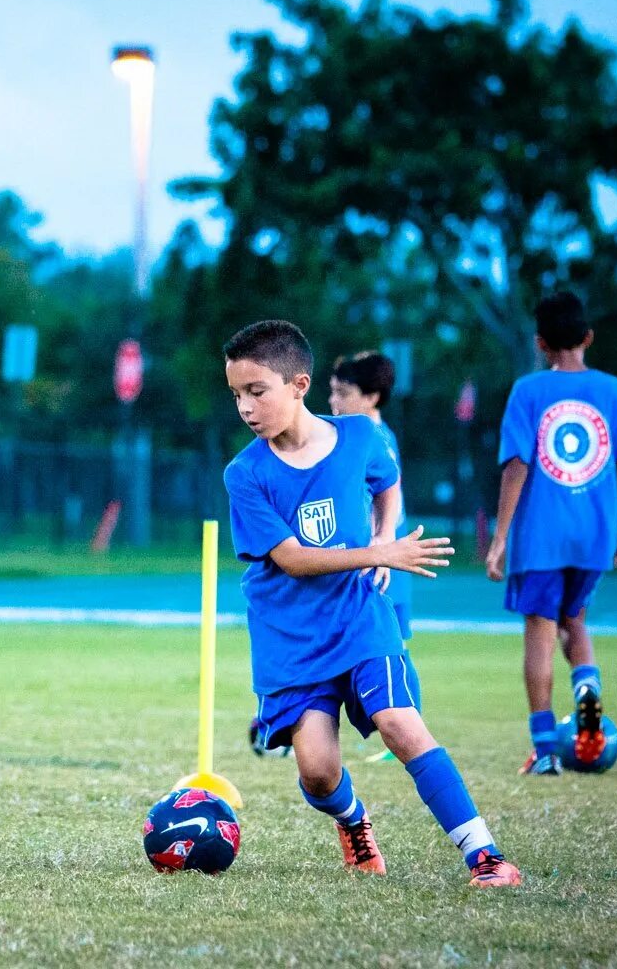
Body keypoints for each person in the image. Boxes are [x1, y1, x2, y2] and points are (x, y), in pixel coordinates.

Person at [224, 319, 520, 887]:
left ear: (299, 384)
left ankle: (485, 856)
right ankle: (353, 820)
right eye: (237, 394)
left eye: (256, 392)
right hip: (290, 639)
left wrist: (384, 541)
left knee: (400, 725)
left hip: (360, 620)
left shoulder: (359, 437)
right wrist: (377, 553)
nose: (245, 407)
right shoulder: (245, 474)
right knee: (316, 772)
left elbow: (388, 483)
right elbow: (293, 560)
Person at [485, 291, 617, 775]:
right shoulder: (616, 391)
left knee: (539, 630)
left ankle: (546, 752)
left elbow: (517, 466)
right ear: (588, 337)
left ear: (540, 343)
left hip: (542, 536)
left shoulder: (528, 391)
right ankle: (588, 704)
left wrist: (499, 538)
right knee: (574, 620)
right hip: (594, 533)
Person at [329, 350, 421, 723]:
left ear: (371, 397)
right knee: (390, 644)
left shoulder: (374, 438)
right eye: (332, 391)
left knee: (390, 645)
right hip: (378, 557)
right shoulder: (363, 435)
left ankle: (405, 722)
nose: (334, 401)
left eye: (344, 392)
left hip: (379, 560)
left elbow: (377, 500)